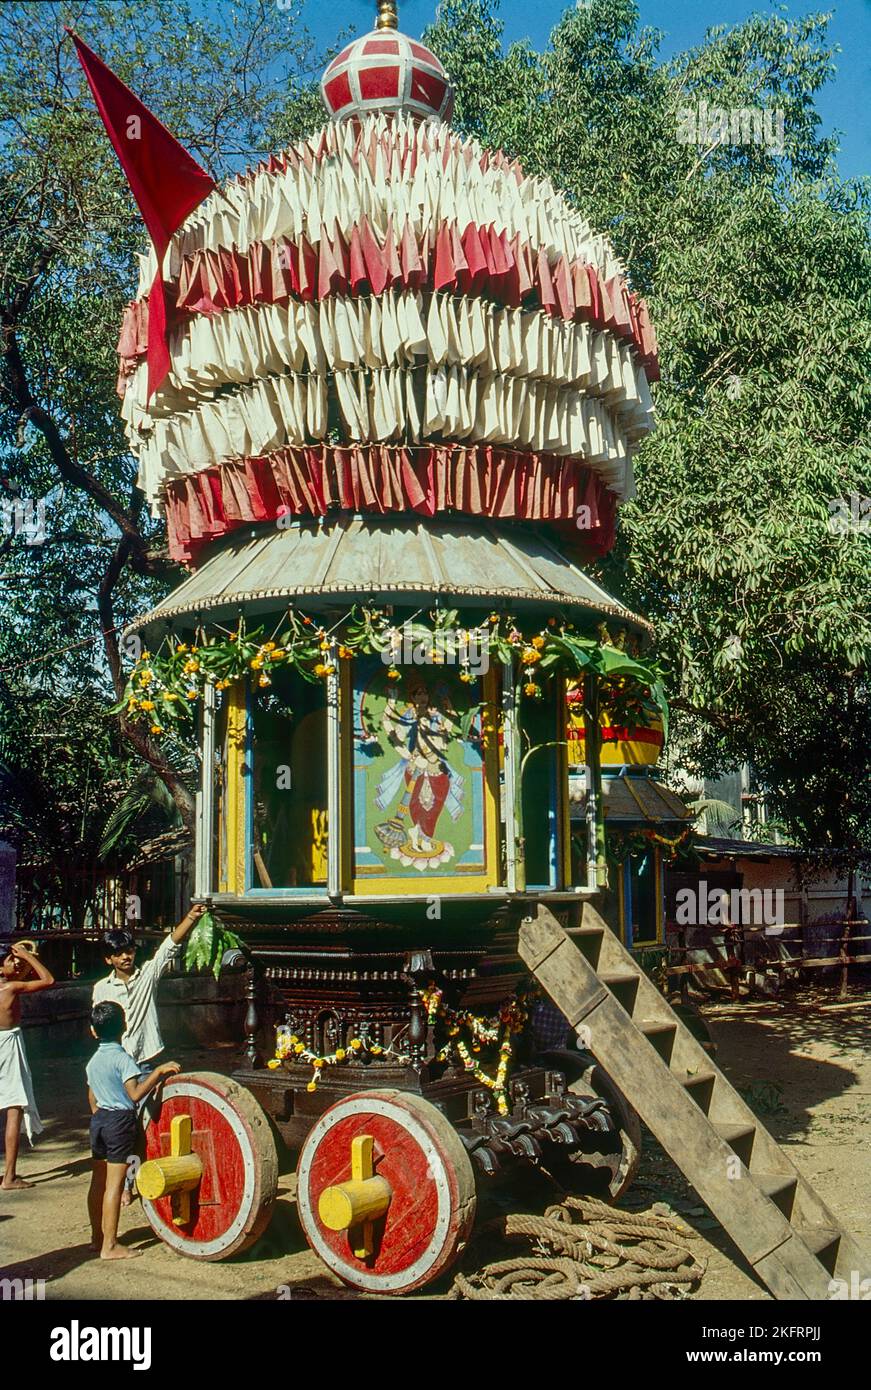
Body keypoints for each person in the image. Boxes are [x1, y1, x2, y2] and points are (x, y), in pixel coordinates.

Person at [92, 902, 205, 1203]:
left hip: (146, 1061)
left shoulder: (148, 976)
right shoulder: (101, 989)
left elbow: (170, 945)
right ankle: (127, 1184)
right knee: (124, 1127)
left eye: (129, 951)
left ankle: (146, 1179)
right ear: (109, 959)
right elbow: (98, 1029)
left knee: (149, 1124)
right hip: (118, 1066)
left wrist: (191, 918)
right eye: (119, 953)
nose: (126, 956)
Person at [86, 1000, 180, 1259]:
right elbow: (136, 1094)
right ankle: (110, 1246)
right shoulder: (122, 1058)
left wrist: (103, 1116)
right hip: (119, 1121)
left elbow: (92, 1099)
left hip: (100, 1121)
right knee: (114, 1186)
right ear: (124, 1027)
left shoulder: (93, 1062)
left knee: (98, 1183)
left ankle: (97, 1238)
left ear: (93, 1031)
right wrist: (158, 1072)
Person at [0, 941, 55, 1191]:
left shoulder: (10, 985)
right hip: (8, 1046)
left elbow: (20, 978)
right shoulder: (10, 988)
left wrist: (22, 960)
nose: (16, 963)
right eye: (11, 960)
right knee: (14, 1108)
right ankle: (9, 1177)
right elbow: (48, 979)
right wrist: (28, 956)